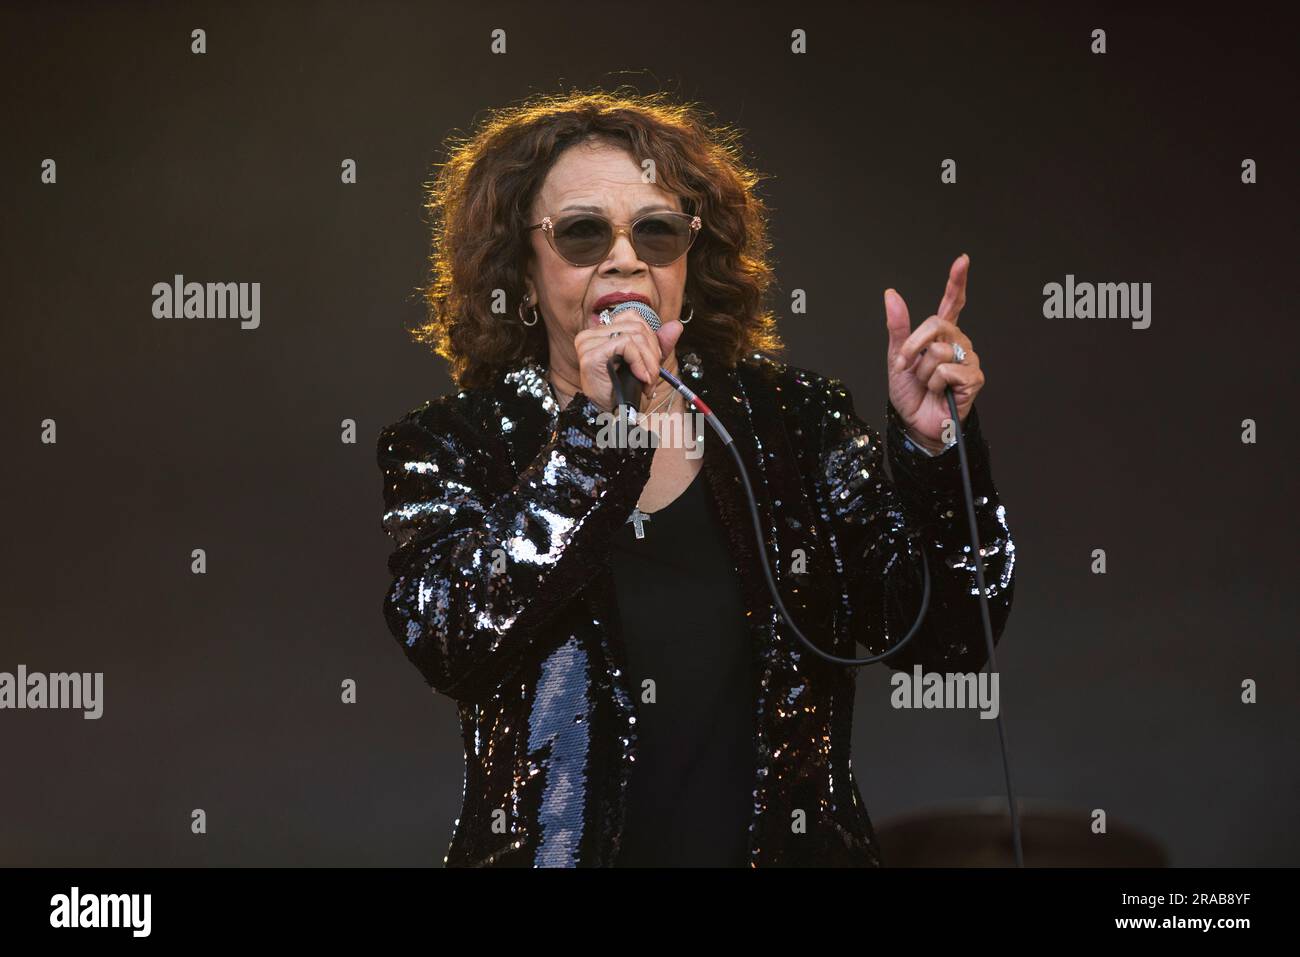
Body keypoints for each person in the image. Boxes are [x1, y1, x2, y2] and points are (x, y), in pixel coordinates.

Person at [377, 89, 1016, 867]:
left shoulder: (794, 421)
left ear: (692, 253)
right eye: (582, 233)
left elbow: (944, 638)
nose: (624, 256)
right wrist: (600, 433)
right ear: (522, 264)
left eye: (657, 230)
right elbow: (453, 638)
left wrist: (933, 453)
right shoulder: (451, 445)